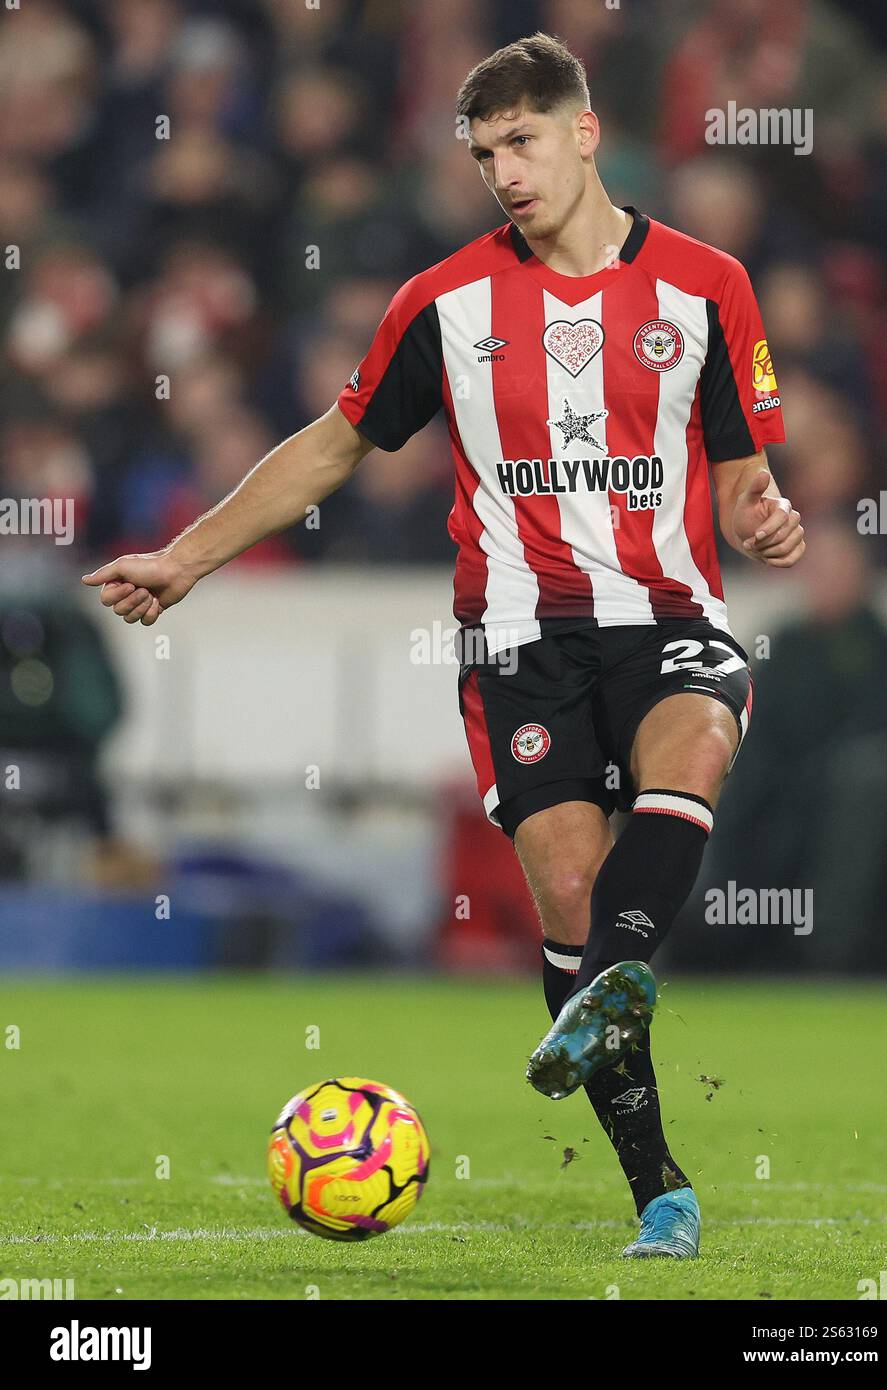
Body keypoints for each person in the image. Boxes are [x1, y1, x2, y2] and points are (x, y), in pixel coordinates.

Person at [82, 33, 805, 1259]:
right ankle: (658, 1187)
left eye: (522, 142)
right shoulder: (444, 302)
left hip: (668, 617)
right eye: (482, 154)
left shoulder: (707, 285)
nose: (504, 173)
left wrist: (763, 513)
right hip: (519, 640)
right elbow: (331, 445)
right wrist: (187, 558)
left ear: (584, 132)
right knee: (569, 900)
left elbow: (743, 475)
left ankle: (614, 980)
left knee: (692, 751)